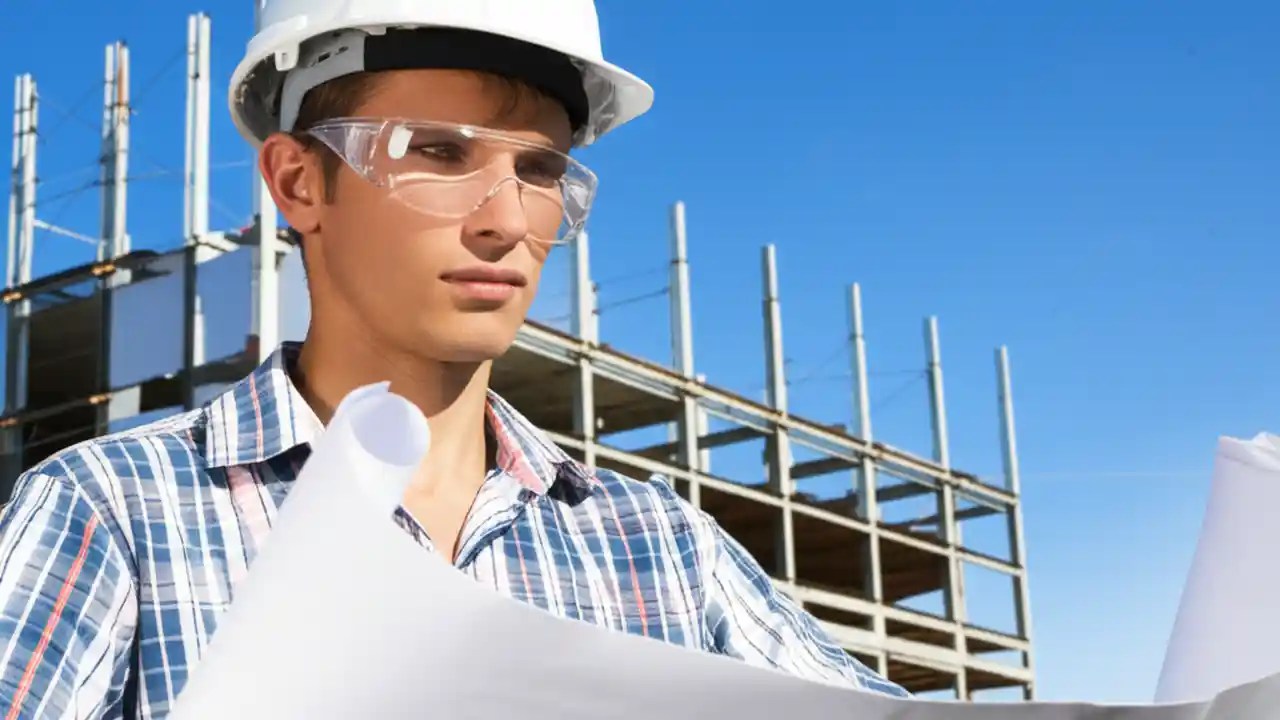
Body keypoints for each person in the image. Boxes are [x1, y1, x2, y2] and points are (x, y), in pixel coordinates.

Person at [0, 1, 908, 716]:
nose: (507, 221)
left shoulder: (659, 549)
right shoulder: (115, 515)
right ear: (299, 182)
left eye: (541, 171)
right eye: (438, 152)